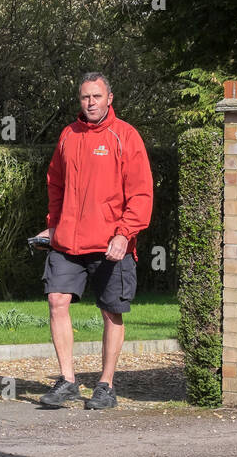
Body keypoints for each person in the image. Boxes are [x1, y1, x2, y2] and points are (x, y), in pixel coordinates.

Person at [35, 72, 153, 409]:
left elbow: (142, 193)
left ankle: (105, 386)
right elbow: (54, 183)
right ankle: (68, 381)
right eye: (85, 97)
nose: (90, 103)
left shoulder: (125, 137)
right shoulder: (68, 136)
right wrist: (53, 225)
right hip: (68, 241)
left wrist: (125, 233)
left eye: (96, 97)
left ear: (109, 98)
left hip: (111, 244)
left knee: (111, 312)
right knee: (56, 299)